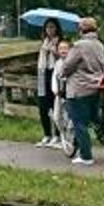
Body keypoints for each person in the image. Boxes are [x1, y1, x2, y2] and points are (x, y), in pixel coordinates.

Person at [55, 15, 104, 166]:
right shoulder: (99, 45)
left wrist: (62, 73)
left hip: (79, 89)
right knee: (94, 119)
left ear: (81, 30)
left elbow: (67, 66)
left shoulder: (79, 46)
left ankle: (86, 156)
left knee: (79, 123)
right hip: (96, 87)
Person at [34, 18, 65, 147]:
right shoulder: (44, 42)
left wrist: (54, 51)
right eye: (47, 28)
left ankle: (57, 135)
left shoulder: (61, 42)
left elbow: (64, 58)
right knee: (42, 106)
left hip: (54, 74)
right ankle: (47, 134)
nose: (50, 30)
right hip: (42, 74)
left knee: (55, 105)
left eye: (52, 27)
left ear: (56, 28)